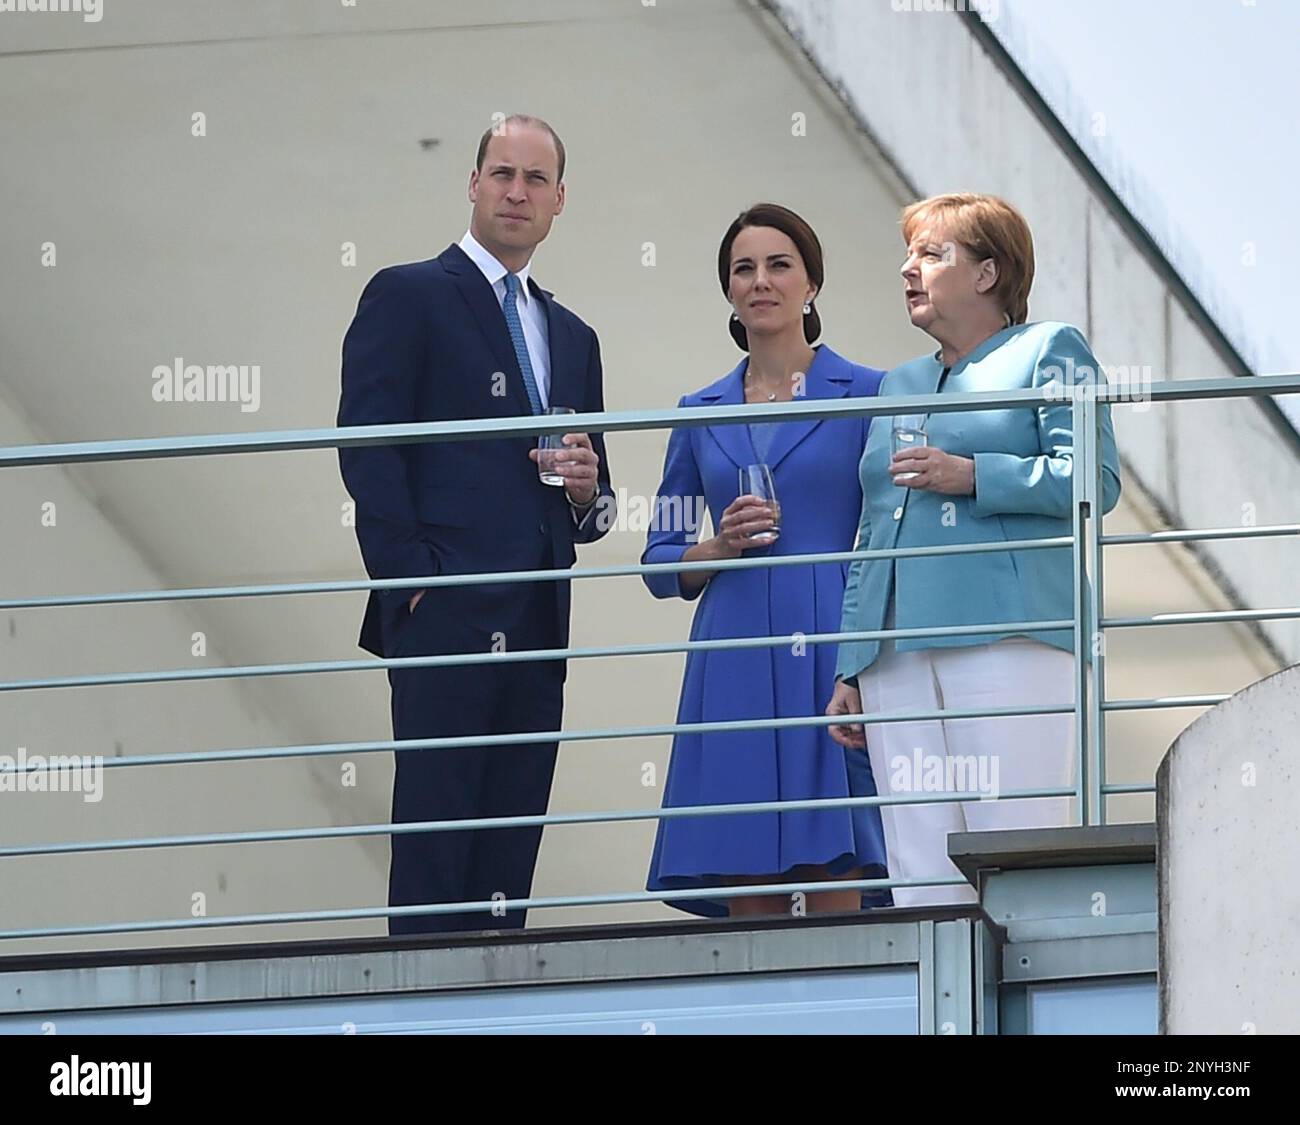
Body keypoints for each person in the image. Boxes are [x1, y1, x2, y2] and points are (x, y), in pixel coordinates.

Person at [337, 115, 614, 934]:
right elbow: (368, 443)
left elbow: (594, 509)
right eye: (502, 174)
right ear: (473, 184)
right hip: (446, 609)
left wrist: (586, 487)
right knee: (436, 841)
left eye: (535, 179)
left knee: (508, 847)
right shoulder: (410, 291)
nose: (516, 192)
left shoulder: (574, 335)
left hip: (536, 617)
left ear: (561, 199)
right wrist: (411, 581)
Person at [826, 192, 1121, 907]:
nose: (907, 268)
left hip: (1008, 636)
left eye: (930, 254)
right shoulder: (899, 382)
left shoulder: (1048, 349)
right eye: (909, 253)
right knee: (919, 863)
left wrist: (973, 475)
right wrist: (852, 660)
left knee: (1016, 844)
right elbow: (875, 527)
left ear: (988, 273)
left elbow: (1094, 478)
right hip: (897, 653)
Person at [643, 203, 892, 918]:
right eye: (743, 268)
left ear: (812, 283)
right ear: (728, 290)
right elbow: (660, 559)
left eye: (779, 264)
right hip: (736, 649)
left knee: (840, 867)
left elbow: (891, 532)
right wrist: (716, 546)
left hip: (831, 642)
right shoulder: (699, 410)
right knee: (743, 872)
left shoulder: (870, 393)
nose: (760, 280)